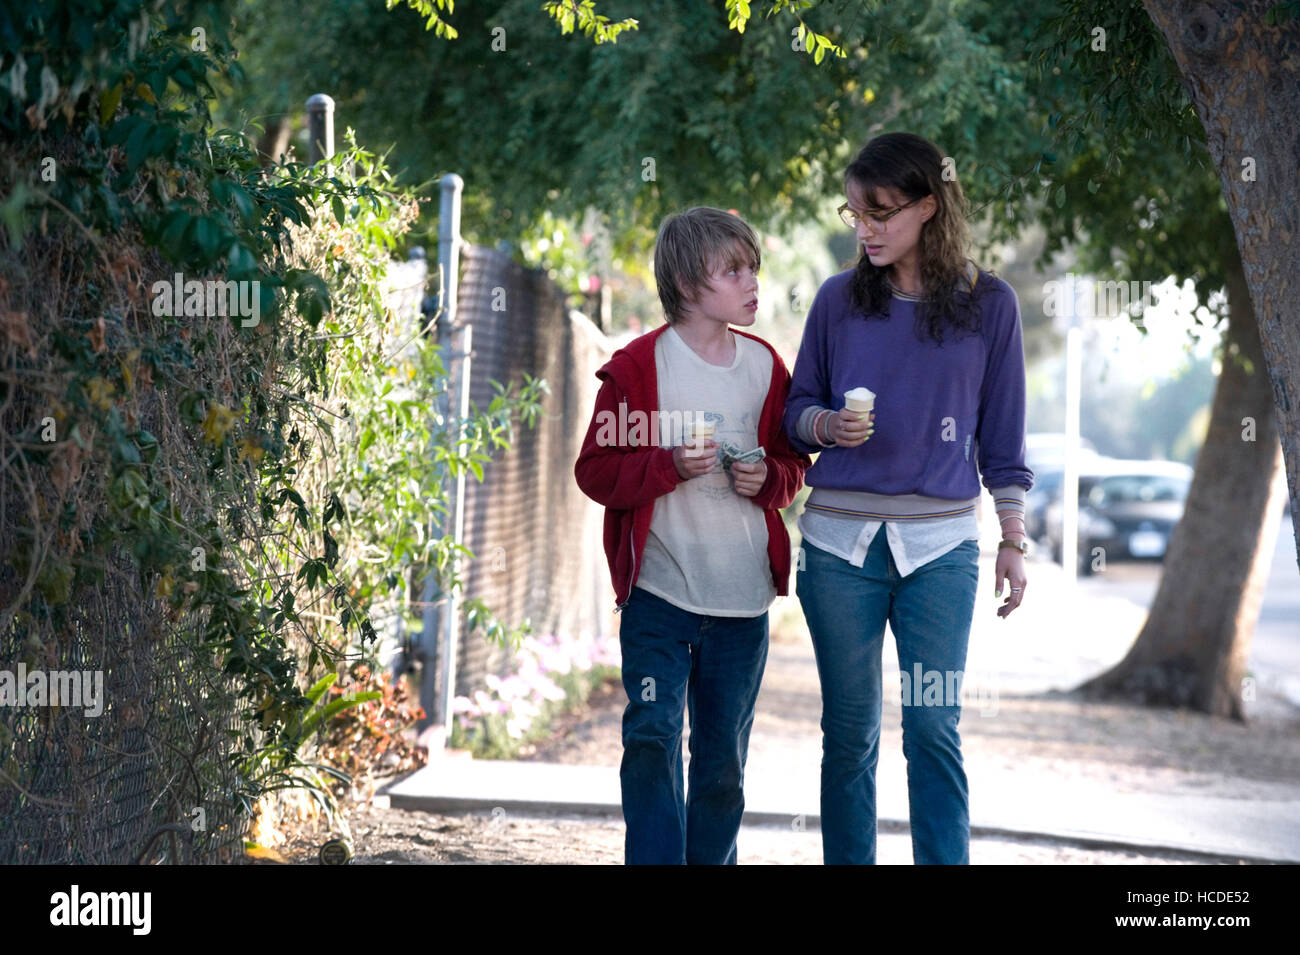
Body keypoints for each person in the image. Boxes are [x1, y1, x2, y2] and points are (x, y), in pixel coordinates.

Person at [783, 132, 1034, 865]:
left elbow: (1005, 440)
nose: (863, 229)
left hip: (943, 550)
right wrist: (826, 424)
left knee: (932, 727)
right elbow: (796, 411)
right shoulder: (837, 300)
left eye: (880, 212)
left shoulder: (991, 306)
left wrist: (1013, 540)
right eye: (854, 213)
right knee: (850, 734)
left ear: (929, 205)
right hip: (838, 548)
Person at [574, 206, 810, 864]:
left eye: (753, 268)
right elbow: (594, 471)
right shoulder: (637, 368)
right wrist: (666, 465)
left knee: (721, 767)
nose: (752, 282)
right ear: (686, 284)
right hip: (658, 597)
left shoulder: (768, 368)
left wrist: (768, 478)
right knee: (651, 737)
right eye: (733, 270)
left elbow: (793, 470)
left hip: (741, 606)